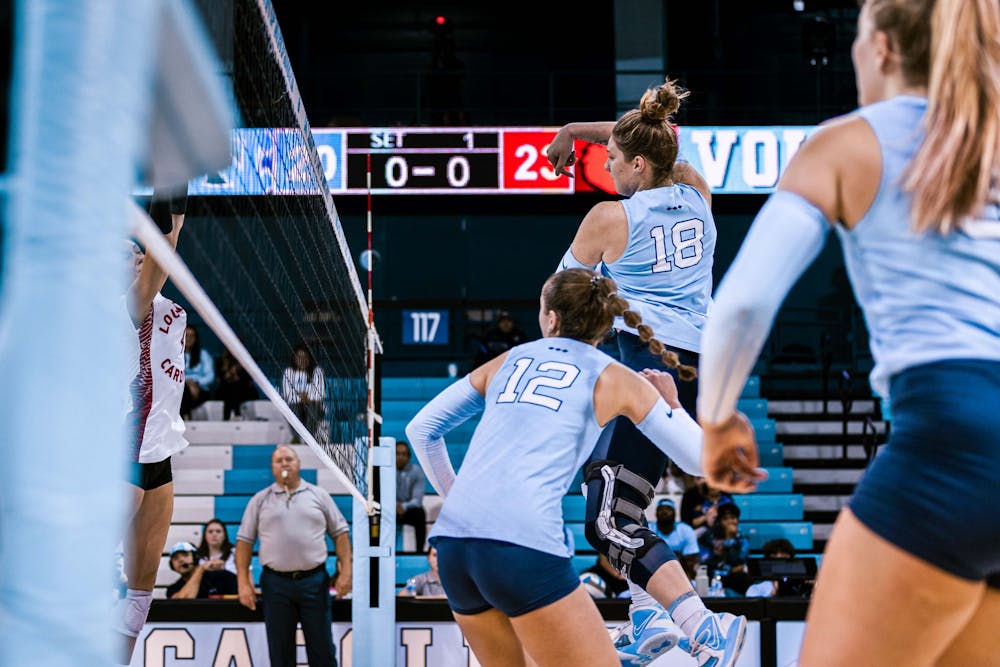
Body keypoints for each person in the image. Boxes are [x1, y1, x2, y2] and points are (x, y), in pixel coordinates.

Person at [697, 1, 1000, 664]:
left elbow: (742, 305)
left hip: (954, 443)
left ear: (884, 49)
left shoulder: (850, 140)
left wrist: (717, 421)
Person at [406, 268, 739, 667]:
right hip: (523, 546)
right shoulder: (616, 378)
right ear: (605, 325)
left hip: (454, 547)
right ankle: (698, 629)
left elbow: (422, 430)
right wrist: (674, 408)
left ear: (551, 318)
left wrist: (458, 499)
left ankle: (646, 622)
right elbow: (698, 462)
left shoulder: (506, 360)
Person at [546, 80, 744, 667]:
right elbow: (650, 145)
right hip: (695, 366)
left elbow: (561, 297)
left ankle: (705, 628)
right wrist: (578, 135)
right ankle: (649, 618)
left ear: (636, 163)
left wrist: (548, 366)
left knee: (605, 523)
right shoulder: (697, 192)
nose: (603, 165)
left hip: (646, 364)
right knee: (606, 486)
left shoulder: (610, 217)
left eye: (609, 159)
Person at [115, 186, 188, 665]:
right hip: (127, 442)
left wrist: (180, 188)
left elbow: (171, 230)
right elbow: (166, 246)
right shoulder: (129, 303)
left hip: (158, 447)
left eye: (137, 249)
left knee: (143, 585)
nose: (137, 255)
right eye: (125, 253)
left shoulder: (156, 297)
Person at [235, 445, 352, 667]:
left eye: (289, 459)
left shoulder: (319, 495)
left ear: (299, 464)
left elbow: (341, 534)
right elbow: (244, 542)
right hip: (275, 584)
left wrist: (346, 571)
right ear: (272, 468)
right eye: (279, 461)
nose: (284, 463)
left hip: (314, 582)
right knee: (280, 653)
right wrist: (243, 582)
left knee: (323, 651)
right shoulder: (260, 500)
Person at [699, 504, 750, 595]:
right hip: (713, 575)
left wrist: (731, 538)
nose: (730, 521)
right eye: (725, 519)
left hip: (733, 578)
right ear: (720, 521)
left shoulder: (742, 539)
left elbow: (739, 561)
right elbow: (706, 561)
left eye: (733, 518)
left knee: (742, 578)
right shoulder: (708, 537)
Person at [281, 344, 326, 440]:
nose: (302, 360)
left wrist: (304, 396)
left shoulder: (317, 371)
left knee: (313, 406)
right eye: (299, 357)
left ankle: (308, 440)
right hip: (295, 406)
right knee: (293, 406)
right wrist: (305, 396)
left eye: (305, 357)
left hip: (315, 407)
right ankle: (297, 438)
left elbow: (319, 395)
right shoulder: (288, 372)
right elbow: (288, 395)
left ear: (310, 359)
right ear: (294, 359)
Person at [165, 541, 238, 600]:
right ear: (172, 566)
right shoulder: (173, 589)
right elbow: (184, 601)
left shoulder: (223, 577)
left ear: (196, 558)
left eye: (185, 555)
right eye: (175, 558)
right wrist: (201, 569)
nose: (181, 560)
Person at [651, 499, 700, 581]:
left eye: (668, 509)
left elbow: (691, 559)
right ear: (655, 513)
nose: (664, 512)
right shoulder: (649, 529)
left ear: (675, 514)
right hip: (654, 573)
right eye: (661, 509)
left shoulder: (686, 530)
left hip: (681, 574)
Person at [396, 440, 428, 552]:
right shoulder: (385, 470)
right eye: (397, 453)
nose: (400, 457)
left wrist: (403, 506)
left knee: (420, 513)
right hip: (390, 510)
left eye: (404, 454)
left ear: (409, 457)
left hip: (408, 510)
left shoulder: (416, 471)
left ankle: (419, 552)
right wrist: (394, 506)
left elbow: (417, 500)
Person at [180, 324, 214, 419]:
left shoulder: (203, 354)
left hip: (200, 391)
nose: (189, 338)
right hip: (182, 389)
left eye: (192, 336)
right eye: (186, 335)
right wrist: (188, 383)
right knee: (183, 392)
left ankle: (181, 418)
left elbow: (210, 376)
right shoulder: (176, 355)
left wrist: (196, 383)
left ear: (196, 339)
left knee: (184, 394)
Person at [215, 348, 258, 420]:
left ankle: (234, 416)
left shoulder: (246, 361)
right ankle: (233, 417)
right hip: (226, 390)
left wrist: (237, 376)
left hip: (243, 390)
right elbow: (219, 379)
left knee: (235, 389)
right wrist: (227, 375)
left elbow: (249, 380)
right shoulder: (221, 361)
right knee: (230, 390)